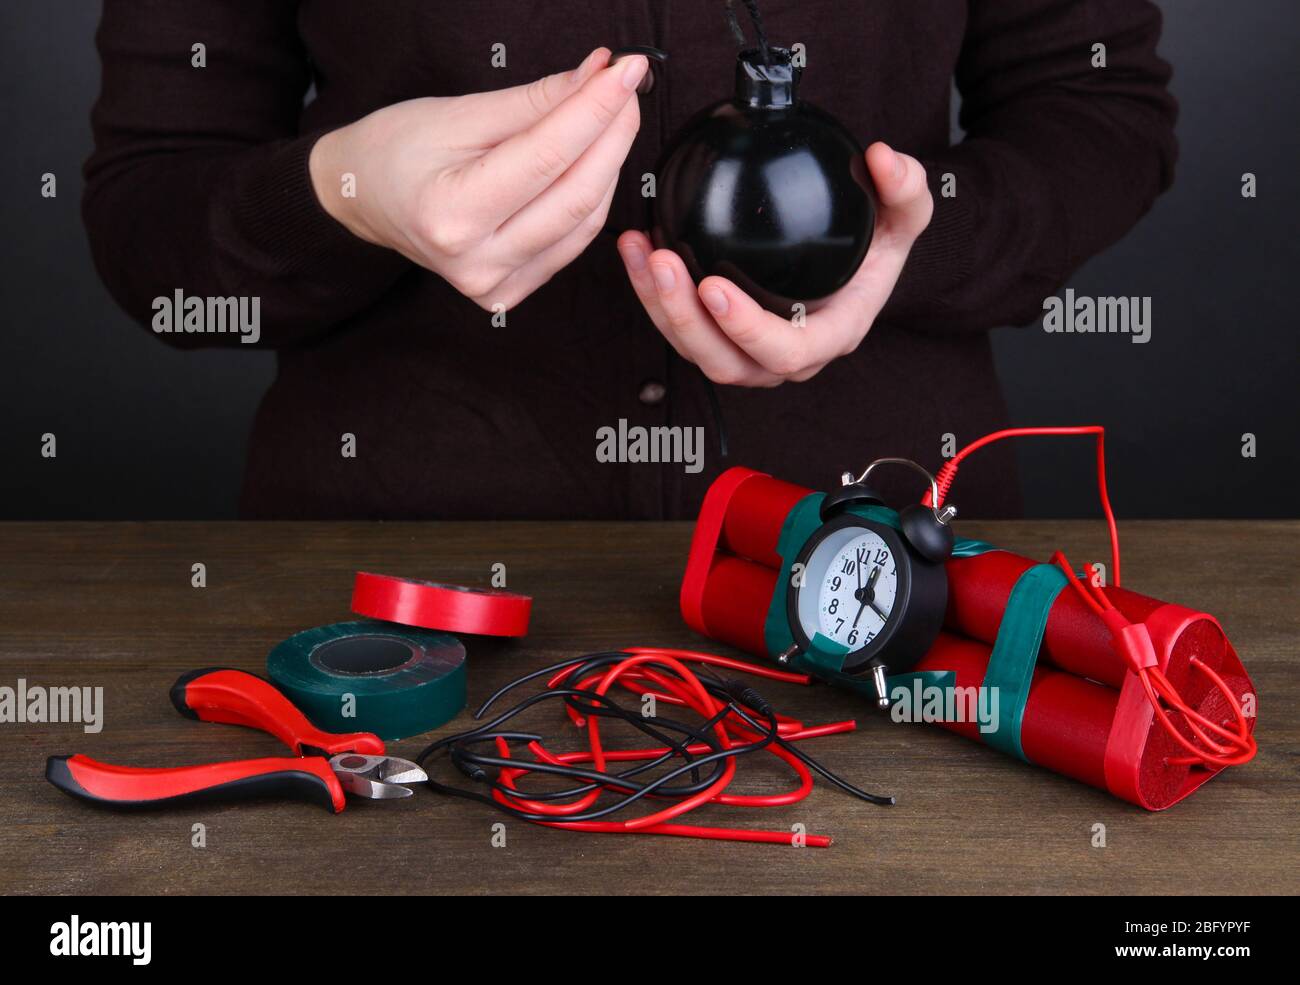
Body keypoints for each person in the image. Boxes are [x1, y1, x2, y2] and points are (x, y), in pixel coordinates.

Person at [83, 1, 1177, 520]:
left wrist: (907, 239)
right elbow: (151, 217)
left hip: (897, 578)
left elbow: (1097, 108)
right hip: (398, 595)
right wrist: (344, 193)